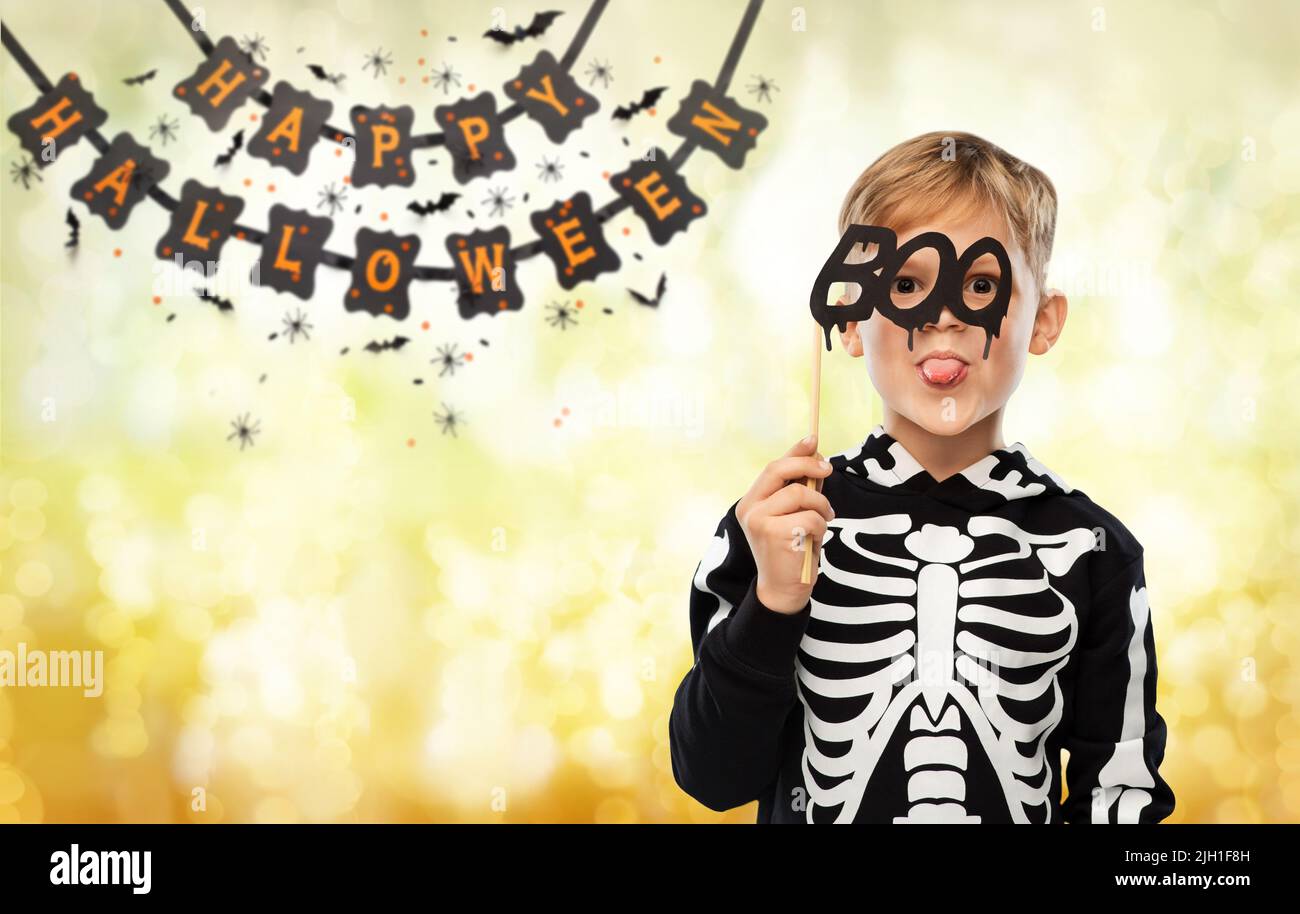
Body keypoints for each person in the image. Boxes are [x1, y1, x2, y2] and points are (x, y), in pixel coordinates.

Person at [668, 131, 1176, 824]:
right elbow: (713, 776)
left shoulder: (1093, 552)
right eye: (904, 284)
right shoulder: (775, 529)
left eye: (981, 285)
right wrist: (771, 606)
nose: (944, 316)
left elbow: (1119, 797)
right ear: (848, 319)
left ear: (1043, 321)